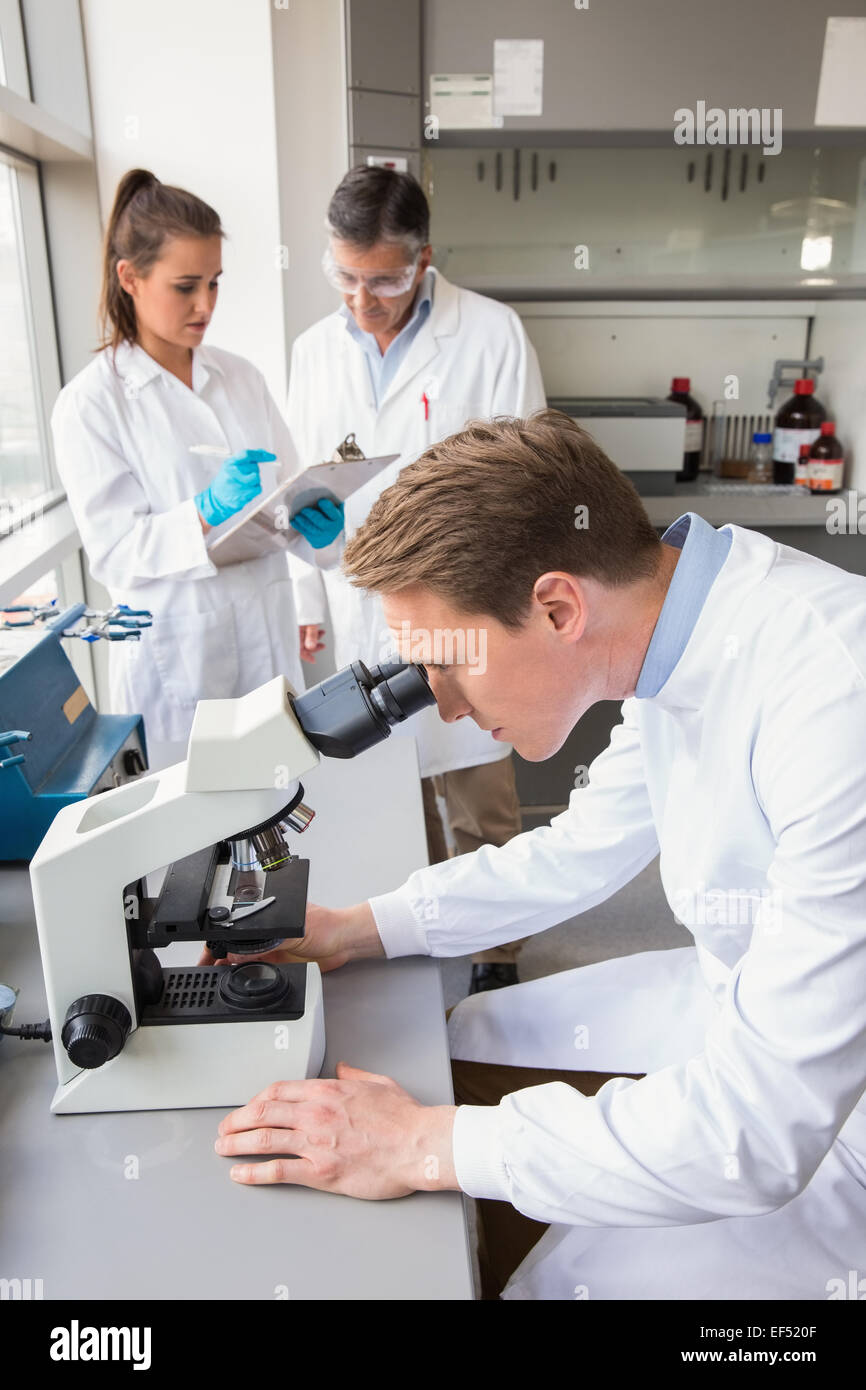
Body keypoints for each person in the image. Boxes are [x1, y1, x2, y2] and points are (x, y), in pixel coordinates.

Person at [209, 411, 866, 1302]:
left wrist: (419, 1146)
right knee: (460, 1046)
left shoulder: (833, 704)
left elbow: (758, 1130)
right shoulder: (684, 619)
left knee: (547, 1287)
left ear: (558, 607)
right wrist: (355, 929)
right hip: (738, 1004)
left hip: (833, 1138)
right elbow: (576, 852)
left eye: (448, 666)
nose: (442, 709)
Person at [285, 165, 546, 992]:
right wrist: (308, 567)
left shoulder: (493, 333)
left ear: (425, 257)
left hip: (468, 611)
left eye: (386, 280)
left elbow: (532, 480)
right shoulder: (313, 351)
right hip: (361, 606)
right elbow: (303, 488)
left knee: (479, 805)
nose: (362, 301)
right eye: (345, 279)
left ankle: (498, 965)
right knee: (392, 805)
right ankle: (420, 954)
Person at [51, 169, 342, 770]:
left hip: (266, 647)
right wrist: (202, 516)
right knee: (191, 852)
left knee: (281, 823)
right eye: (185, 286)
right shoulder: (92, 403)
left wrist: (318, 529)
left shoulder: (240, 377)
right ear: (129, 278)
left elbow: (286, 499)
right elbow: (113, 553)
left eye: (214, 282)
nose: (206, 305)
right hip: (176, 665)